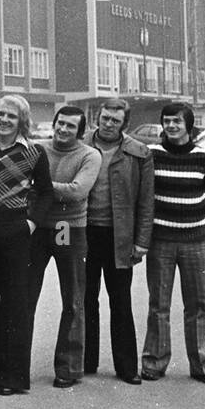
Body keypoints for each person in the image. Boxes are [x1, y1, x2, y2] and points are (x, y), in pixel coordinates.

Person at [0, 94, 52, 395]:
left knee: (15, 305)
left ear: (22, 121)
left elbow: (45, 193)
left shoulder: (35, 152)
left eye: (12, 116)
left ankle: (13, 377)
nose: (5, 120)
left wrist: (31, 223)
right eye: (0, 114)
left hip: (17, 229)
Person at [141, 103, 205, 386]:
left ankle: (202, 365)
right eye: (167, 121)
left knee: (196, 305)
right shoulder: (152, 155)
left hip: (195, 242)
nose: (171, 125)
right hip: (160, 242)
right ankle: (154, 362)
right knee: (158, 305)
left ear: (189, 125)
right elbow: (145, 195)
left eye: (177, 121)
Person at [29, 105, 101, 389]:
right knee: (24, 295)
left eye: (70, 126)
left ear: (80, 132)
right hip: (37, 227)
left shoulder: (88, 155)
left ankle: (68, 368)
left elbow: (78, 191)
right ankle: (16, 364)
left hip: (67, 228)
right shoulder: (37, 149)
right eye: (60, 123)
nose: (62, 129)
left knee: (72, 298)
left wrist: (41, 186)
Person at [83, 99, 153, 385]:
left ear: (125, 124)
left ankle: (126, 367)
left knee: (120, 301)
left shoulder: (139, 152)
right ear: (97, 117)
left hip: (120, 237)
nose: (108, 124)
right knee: (84, 299)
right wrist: (62, 240)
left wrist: (142, 242)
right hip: (84, 234)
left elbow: (146, 202)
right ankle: (85, 362)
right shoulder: (81, 144)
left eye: (115, 120)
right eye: (104, 118)